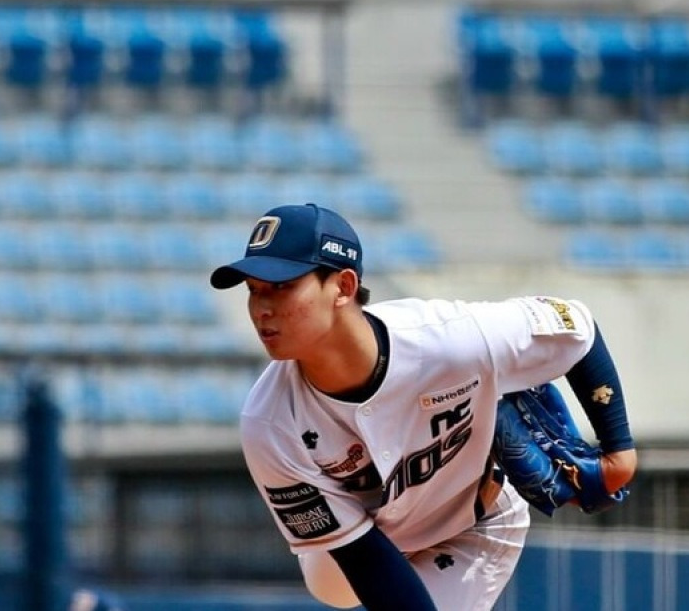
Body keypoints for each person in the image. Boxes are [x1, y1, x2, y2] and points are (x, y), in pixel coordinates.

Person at [209, 203, 637, 610]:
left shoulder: (451, 340)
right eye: (254, 291)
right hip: (343, 563)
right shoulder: (269, 422)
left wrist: (620, 452)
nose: (261, 309)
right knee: (337, 585)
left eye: (281, 287)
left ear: (343, 286)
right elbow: (366, 561)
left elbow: (576, 326)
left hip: (473, 528)